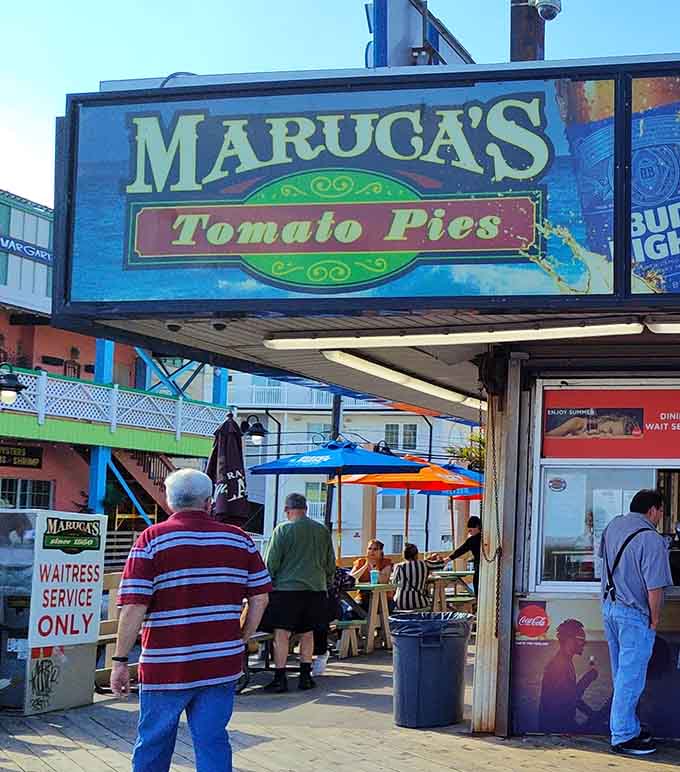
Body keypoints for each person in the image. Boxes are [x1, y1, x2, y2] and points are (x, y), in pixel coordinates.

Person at [111, 468, 271, 772]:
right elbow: (260, 598)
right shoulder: (240, 540)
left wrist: (120, 660)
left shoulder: (151, 540)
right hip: (220, 662)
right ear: (209, 502)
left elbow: (134, 606)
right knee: (212, 741)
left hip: (166, 664)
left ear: (169, 502)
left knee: (154, 742)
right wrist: (241, 638)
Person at [599, 488, 673, 756]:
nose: (660, 516)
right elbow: (655, 588)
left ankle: (627, 726)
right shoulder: (651, 540)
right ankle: (622, 737)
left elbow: (603, 563)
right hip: (634, 615)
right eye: (661, 511)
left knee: (623, 675)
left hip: (610, 609)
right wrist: (654, 620)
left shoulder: (613, 525)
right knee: (631, 678)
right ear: (652, 509)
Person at [263, 492, 336, 693]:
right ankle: (305, 677)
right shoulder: (322, 531)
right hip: (316, 590)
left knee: (282, 634)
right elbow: (330, 564)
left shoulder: (282, 530)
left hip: (287, 591)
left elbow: (271, 564)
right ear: (306, 509)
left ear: (287, 510)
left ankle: (280, 678)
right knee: (307, 634)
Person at [538, 619, 598, 733]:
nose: (584, 643)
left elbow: (570, 696)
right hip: (555, 731)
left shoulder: (565, 661)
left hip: (561, 726)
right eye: (581, 639)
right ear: (569, 640)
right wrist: (588, 678)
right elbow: (570, 698)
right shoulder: (559, 665)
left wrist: (591, 713)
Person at [312, 566, 356, 676]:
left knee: (319, 617)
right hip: (328, 608)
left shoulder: (333, 571)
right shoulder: (335, 571)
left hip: (327, 609)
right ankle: (321, 652)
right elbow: (351, 581)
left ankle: (321, 652)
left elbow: (351, 581)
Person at [391, 543, 445, 611]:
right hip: (420, 602)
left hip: (401, 603)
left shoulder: (398, 566)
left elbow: (393, 584)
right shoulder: (424, 564)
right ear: (416, 554)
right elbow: (441, 565)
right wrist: (437, 558)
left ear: (404, 555)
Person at [350, 539, 393, 610]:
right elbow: (350, 578)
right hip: (363, 597)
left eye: (375, 549)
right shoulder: (360, 562)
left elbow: (384, 581)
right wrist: (366, 565)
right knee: (349, 613)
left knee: (376, 610)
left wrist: (374, 567)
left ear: (381, 551)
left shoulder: (386, 562)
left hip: (383, 599)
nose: (372, 551)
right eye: (369, 548)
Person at [448, 516, 482, 595]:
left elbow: (461, 550)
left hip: (478, 568)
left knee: (477, 589)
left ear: (477, 527)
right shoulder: (482, 537)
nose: (469, 532)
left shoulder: (473, 540)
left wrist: (448, 559)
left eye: (470, 530)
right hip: (481, 567)